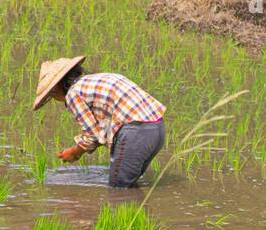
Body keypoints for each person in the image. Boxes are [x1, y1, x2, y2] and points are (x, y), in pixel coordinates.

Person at [32, 55, 166, 188]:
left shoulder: (74, 93)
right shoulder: (100, 78)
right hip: (157, 129)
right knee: (129, 186)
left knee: (118, 190)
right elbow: (106, 126)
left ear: (56, 88)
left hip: (135, 134)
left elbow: (93, 135)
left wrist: (75, 152)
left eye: (52, 95)